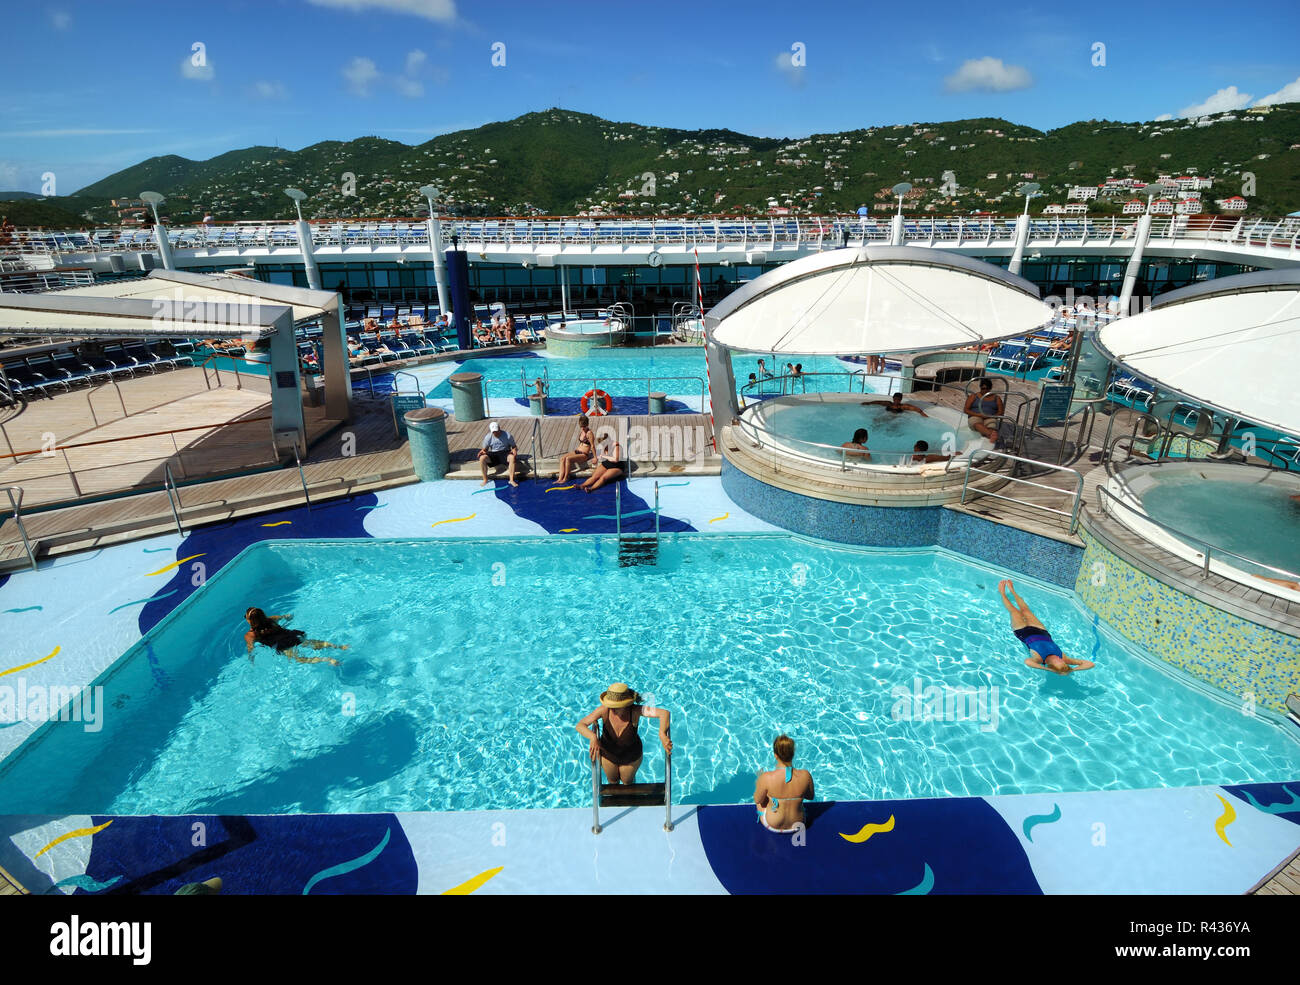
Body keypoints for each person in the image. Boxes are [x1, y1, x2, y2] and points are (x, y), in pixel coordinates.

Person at [575, 683, 672, 786]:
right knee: (612, 781)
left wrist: (662, 734)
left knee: (627, 782)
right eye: (611, 705)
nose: (612, 709)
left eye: (616, 706)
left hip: (631, 755)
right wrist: (593, 737)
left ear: (626, 705)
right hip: (608, 753)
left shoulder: (635, 711)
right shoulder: (604, 710)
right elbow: (580, 725)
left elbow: (664, 713)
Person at [997, 580, 1094, 675]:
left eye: (1058, 661)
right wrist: (1071, 670)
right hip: (1041, 631)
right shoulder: (1064, 658)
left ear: (1051, 666)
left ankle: (1002, 593)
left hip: (1022, 632)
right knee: (1026, 610)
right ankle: (1012, 590)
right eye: (1062, 662)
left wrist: (1047, 669)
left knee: (1014, 611)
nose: (1060, 659)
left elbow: (1027, 662)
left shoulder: (1039, 659)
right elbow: (1090, 664)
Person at [243, 607, 346, 666]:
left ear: (250, 620)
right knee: (312, 643)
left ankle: (327, 660)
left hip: (283, 646)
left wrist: (251, 662)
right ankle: (340, 647)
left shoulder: (250, 635)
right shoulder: (272, 620)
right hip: (293, 636)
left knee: (301, 659)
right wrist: (287, 619)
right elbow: (288, 617)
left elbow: (251, 650)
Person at [754, 734, 814, 832]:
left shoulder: (767, 777)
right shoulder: (805, 775)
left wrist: (759, 781)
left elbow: (758, 800)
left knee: (762, 799)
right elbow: (810, 797)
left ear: (775, 755)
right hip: (798, 823)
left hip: (773, 825)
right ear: (793, 753)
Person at [555, 414, 596, 483]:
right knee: (562, 458)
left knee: (568, 459)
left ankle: (565, 478)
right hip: (577, 451)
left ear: (587, 425)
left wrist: (595, 457)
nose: (582, 428)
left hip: (584, 454)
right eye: (581, 426)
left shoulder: (589, 433)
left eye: (584, 426)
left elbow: (592, 446)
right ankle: (559, 479)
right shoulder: (582, 431)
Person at [478, 421, 519, 486]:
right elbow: (485, 449)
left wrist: (514, 450)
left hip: (505, 452)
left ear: (499, 428)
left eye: (497, 431)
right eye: (494, 432)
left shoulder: (507, 435)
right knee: (482, 458)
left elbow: (514, 447)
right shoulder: (488, 437)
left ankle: (511, 480)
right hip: (494, 454)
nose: (496, 433)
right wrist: (482, 451)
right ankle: (485, 479)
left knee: (512, 457)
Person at [964, 378, 1004, 442]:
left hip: (990, 417)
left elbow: (1001, 412)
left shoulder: (997, 398)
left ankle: (990, 437)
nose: (985, 390)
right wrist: (979, 415)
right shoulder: (974, 396)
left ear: (990, 388)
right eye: (983, 388)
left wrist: (991, 416)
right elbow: (966, 410)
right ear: (980, 388)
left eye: (987, 389)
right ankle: (991, 435)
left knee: (991, 427)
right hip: (976, 416)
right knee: (977, 424)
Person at [863, 392, 927, 416]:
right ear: (893, 398)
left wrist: (921, 413)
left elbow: (915, 408)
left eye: (898, 400)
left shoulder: (902, 407)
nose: (896, 401)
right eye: (895, 399)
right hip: (885, 416)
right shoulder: (888, 403)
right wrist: (869, 403)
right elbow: (878, 402)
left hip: (895, 419)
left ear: (900, 400)